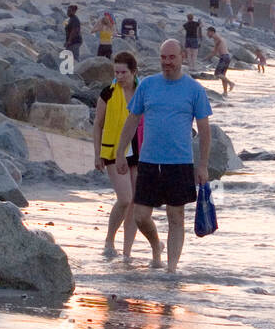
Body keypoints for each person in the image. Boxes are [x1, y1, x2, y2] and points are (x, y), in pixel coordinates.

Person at [113, 40, 210, 276]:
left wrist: (203, 166)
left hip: (180, 163)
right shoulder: (147, 85)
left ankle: (171, 270)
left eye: (172, 57)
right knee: (140, 216)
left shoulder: (194, 89)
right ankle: (156, 245)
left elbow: (205, 130)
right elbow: (132, 120)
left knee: (176, 216)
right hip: (149, 161)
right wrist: (120, 153)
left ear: (182, 57)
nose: (167, 62)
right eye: (163, 58)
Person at [93, 52, 163, 264]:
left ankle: (126, 253)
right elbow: (98, 124)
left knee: (135, 202)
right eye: (116, 72)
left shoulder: (144, 93)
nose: (119, 76)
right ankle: (109, 241)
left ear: (134, 72)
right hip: (114, 151)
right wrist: (97, 154)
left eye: (124, 72)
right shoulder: (108, 93)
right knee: (124, 198)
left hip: (140, 152)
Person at [206, 26, 234, 95]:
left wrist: (216, 44)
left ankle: (231, 83)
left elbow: (219, 40)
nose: (207, 34)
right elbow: (214, 52)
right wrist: (207, 57)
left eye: (208, 32)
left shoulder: (216, 37)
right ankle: (225, 92)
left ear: (212, 32)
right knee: (222, 75)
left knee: (217, 74)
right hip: (227, 57)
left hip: (224, 57)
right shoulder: (216, 39)